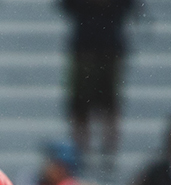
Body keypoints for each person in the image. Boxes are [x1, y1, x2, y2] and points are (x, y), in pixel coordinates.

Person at [59, 0, 137, 170]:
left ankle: (108, 153)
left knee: (109, 104)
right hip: (84, 43)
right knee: (80, 105)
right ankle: (80, 153)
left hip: (109, 42)